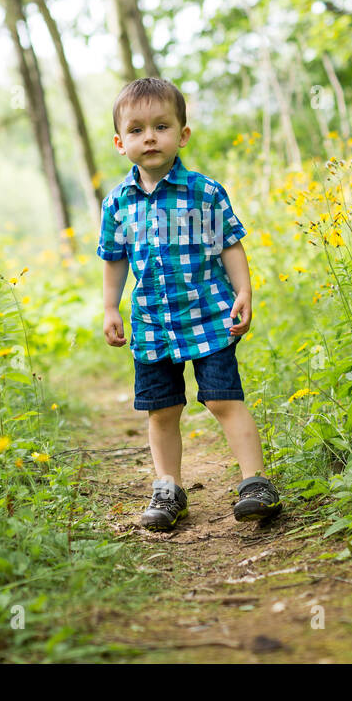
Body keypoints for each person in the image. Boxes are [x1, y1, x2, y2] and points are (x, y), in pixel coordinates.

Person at [97, 76, 281, 531]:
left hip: (210, 317)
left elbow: (230, 245)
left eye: (161, 126)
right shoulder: (118, 202)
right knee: (161, 410)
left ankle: (255, 482)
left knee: (223, 399)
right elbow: (114, 258)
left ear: (182, 135)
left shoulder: (204, 191)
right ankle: (168, 489)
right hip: (153, 324)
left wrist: (244, 291)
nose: (150, 137)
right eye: (137, 130)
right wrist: (111, 307)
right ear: (121, 143)